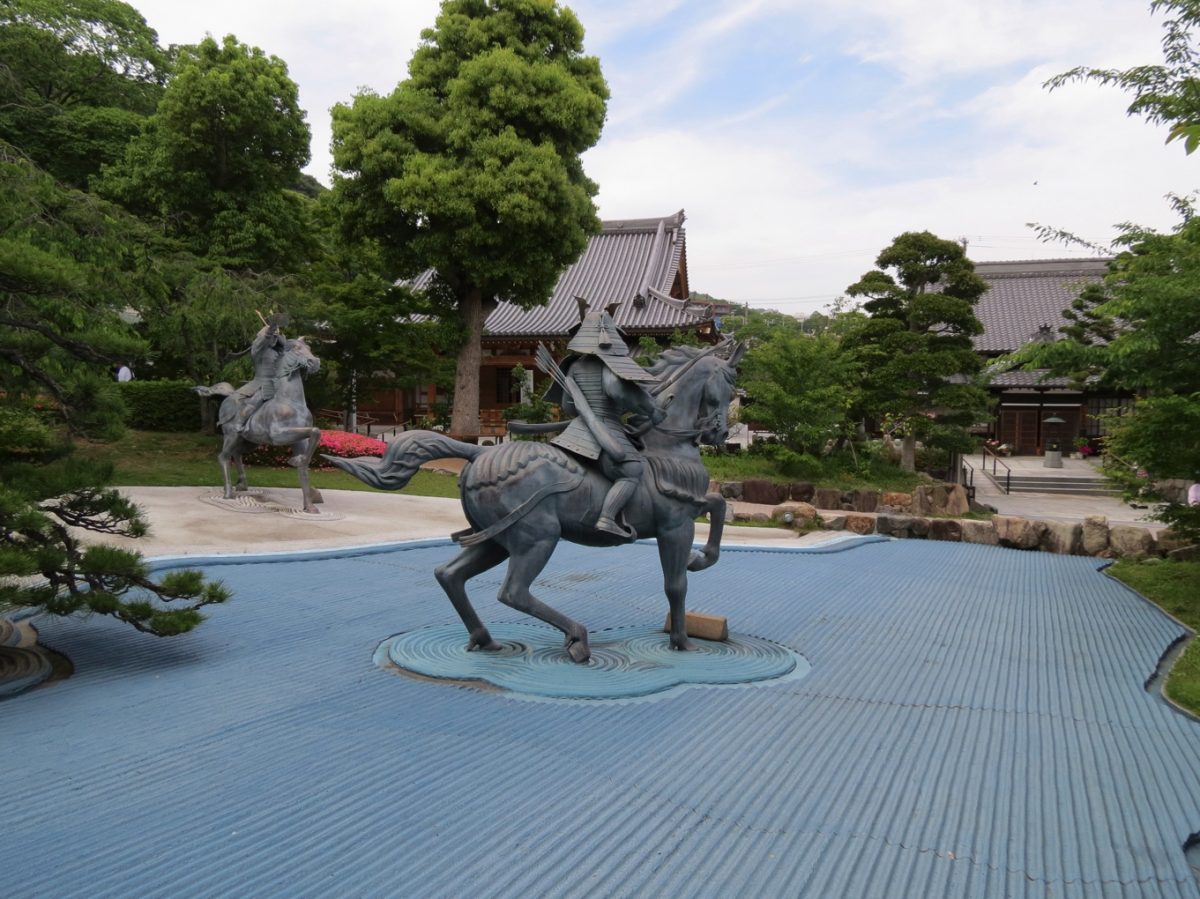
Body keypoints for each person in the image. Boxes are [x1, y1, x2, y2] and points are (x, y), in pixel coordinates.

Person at [547, 299, 665, 541]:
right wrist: (646, 410)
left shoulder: (573, 368)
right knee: (632, 469)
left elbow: (568, 406)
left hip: (576, 434)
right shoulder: (610, 367)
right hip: (606, 432)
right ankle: (608, 517)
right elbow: (618, 393)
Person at [234, 313, 288, 433]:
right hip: (262, 383)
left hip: (278, 384)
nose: (274, 339)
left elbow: (285, 348)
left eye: (276, 337)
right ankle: (239, 422)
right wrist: (271, 329)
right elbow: (264, 339)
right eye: (273, 337)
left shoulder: (278, 352)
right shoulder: (258, 350)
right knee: (257, 400)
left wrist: (280, 337)